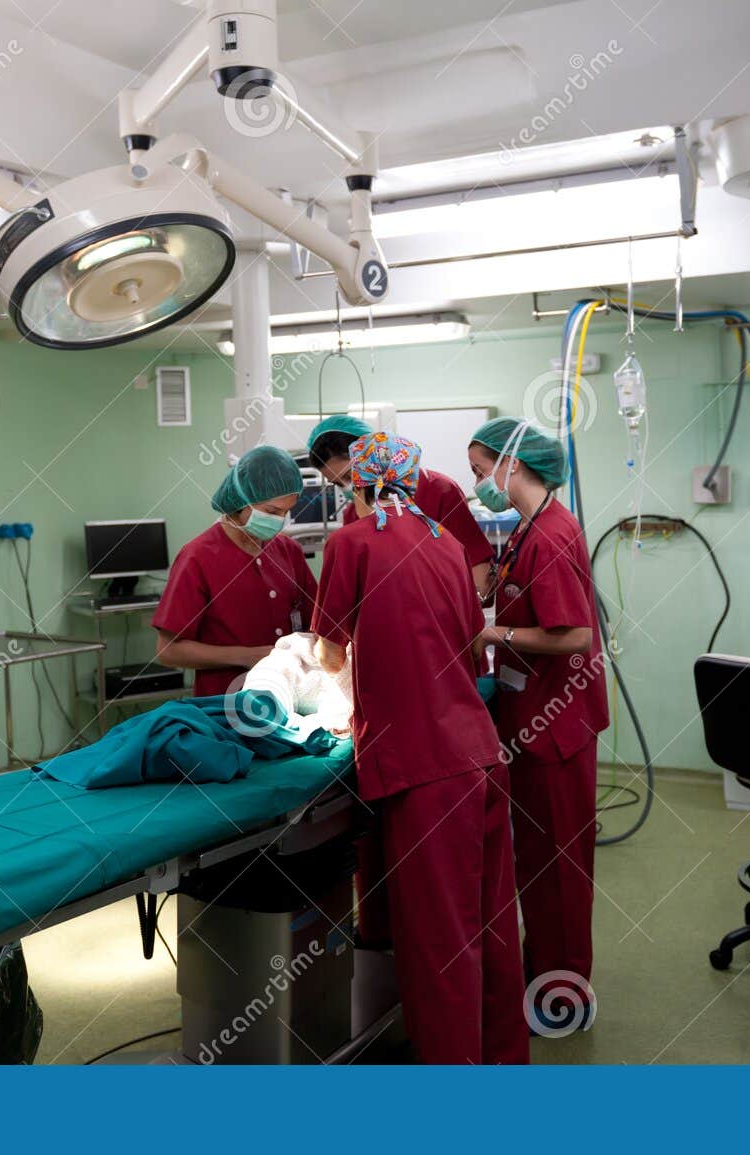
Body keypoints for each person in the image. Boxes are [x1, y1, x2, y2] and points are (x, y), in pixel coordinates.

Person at [312, 431, 529, 1065]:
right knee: (490, 929)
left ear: (360, 484)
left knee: (440, 941)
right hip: (480, 756)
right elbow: (467, 647)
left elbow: (329, 650)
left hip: (426, 769)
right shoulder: (446, 545)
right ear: (411, 481)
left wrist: (337, 676)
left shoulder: (350, 542)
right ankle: (502, 1063)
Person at [468, 416, 609, 1032]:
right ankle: (543, 973)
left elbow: (576, 632)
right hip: (533, 720)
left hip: (557, 727)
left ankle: (564, 998)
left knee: (557, 871)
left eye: (482, 472)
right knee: (538, 864)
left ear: (513, 466)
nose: (480, 486)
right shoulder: (530, 529)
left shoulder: (551, 534)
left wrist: (491, 634)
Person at [153, 445, 317, 696]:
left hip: (289, 695)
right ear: (240, 501)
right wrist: (245, 656)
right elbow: (169, 650)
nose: (279, 520)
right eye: (272, 512)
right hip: (226, 701)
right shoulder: (198, 557)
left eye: (286, 512)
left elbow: (317, 621)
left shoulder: (288, 550)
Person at [307, 414, 494, 591]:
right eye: (339, 483)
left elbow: (477, 564)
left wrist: (467, 609)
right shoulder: (353, 514)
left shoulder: (438, 490)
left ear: (372, 455)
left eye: (350, 476)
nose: (349, 487)